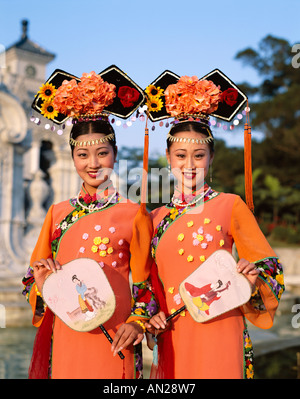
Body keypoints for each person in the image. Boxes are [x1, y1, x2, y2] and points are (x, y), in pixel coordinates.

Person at [144, 71, 285, 379]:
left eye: (199, 155)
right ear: (168, 158)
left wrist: (252, 279)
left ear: (210, 159)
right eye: (181, 155)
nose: (189, 164)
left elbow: (271, 267)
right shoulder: (154, 219)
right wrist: (150, 316)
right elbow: (148, 284)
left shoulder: (230, 205)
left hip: (223, 329)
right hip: (174, 334)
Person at [22, 67, 155, 379]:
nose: (93, 164)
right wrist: (42, 286)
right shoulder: (57, 214)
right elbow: (32, 278)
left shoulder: (135, 212)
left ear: (115, 154)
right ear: (72, 158)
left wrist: (137, 321)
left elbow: (147, 282)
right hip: (69, 334)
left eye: (102, 153)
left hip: (117, 335)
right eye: (83, 155)